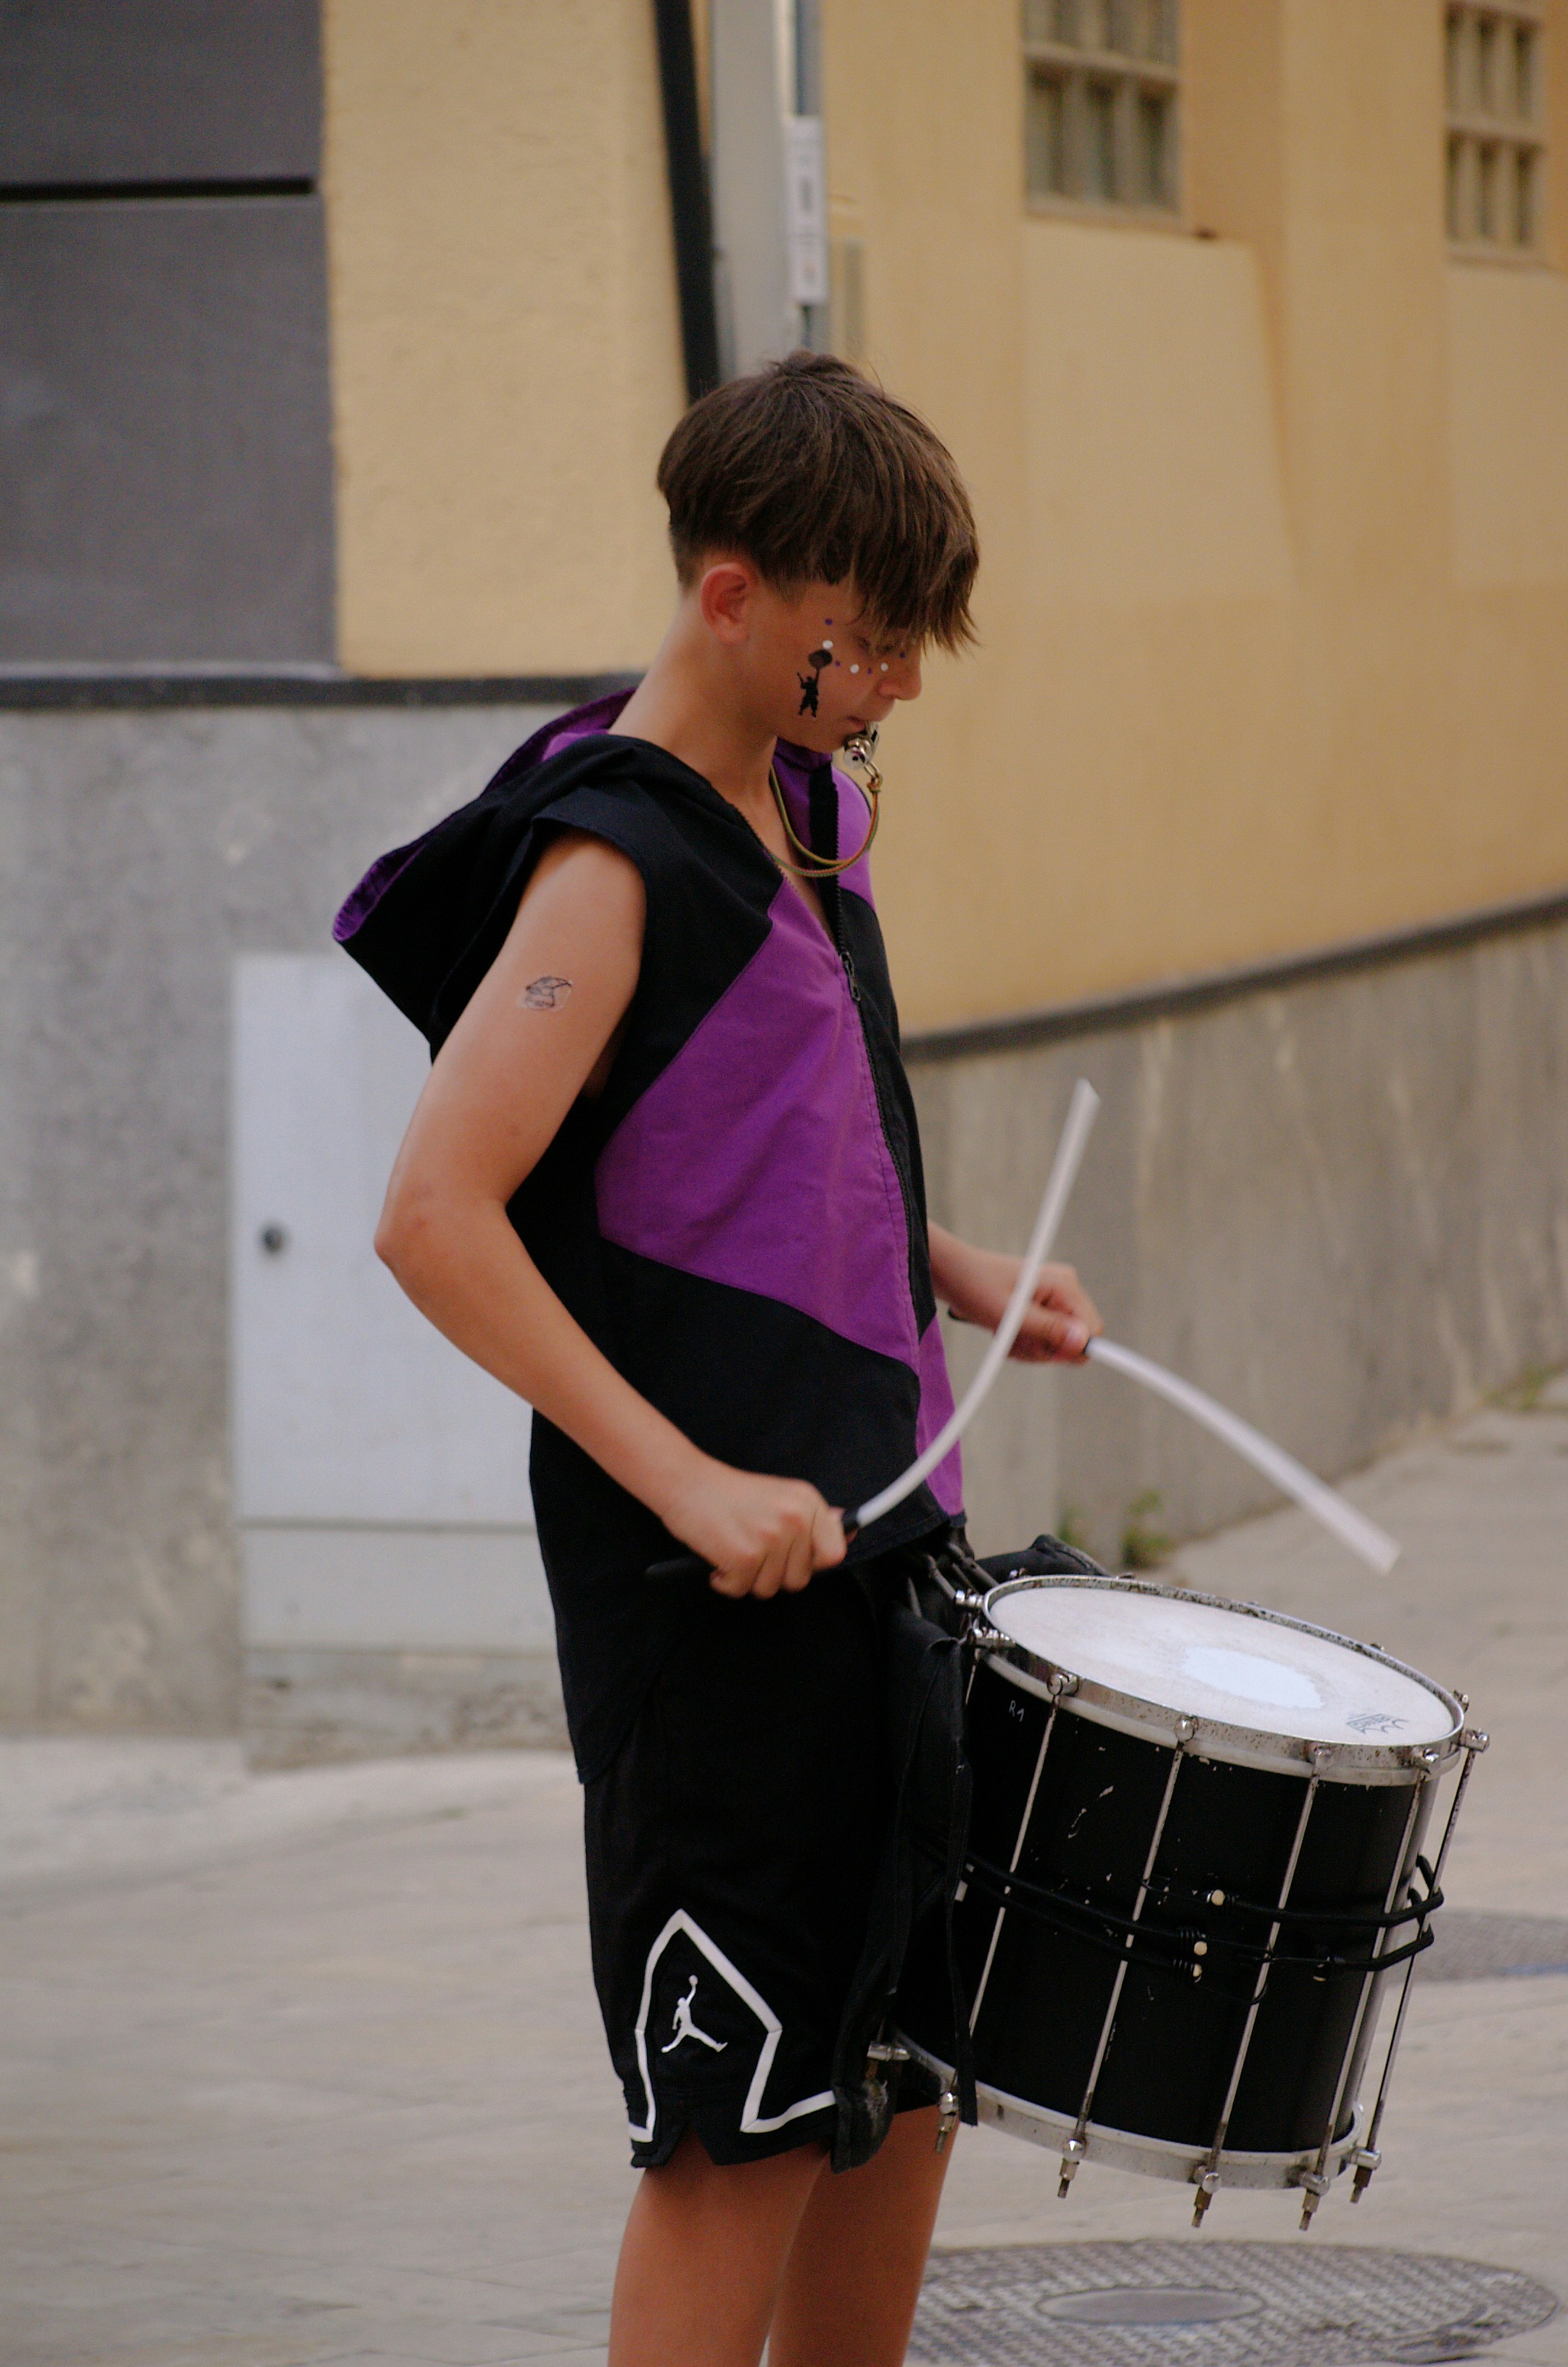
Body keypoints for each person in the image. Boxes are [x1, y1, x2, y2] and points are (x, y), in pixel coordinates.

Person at [335, 353, 1101, 2367]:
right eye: (876, 640)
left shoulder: (813, 813)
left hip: (889, 1554)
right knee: (739, 2131)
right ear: (736, 595)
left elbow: (764, 1136)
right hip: (713, 1605)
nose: (905, 683)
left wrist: (954, 1270)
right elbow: (437, 1214)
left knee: (901, 2097)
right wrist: (680, 1479)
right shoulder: (609, 863)